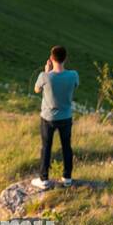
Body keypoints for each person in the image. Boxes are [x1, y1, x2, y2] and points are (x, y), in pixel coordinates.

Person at [32, 45, 78, 187]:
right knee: (66, 146)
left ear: (51, 59)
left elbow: (36, 90)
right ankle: (67, 178)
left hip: (48, 118)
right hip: (66, 117)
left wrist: (47, 72)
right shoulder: (73, 75)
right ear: (66, 58)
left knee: (46, 147)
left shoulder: (45, 76)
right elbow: (75, 85)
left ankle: (44, 179)